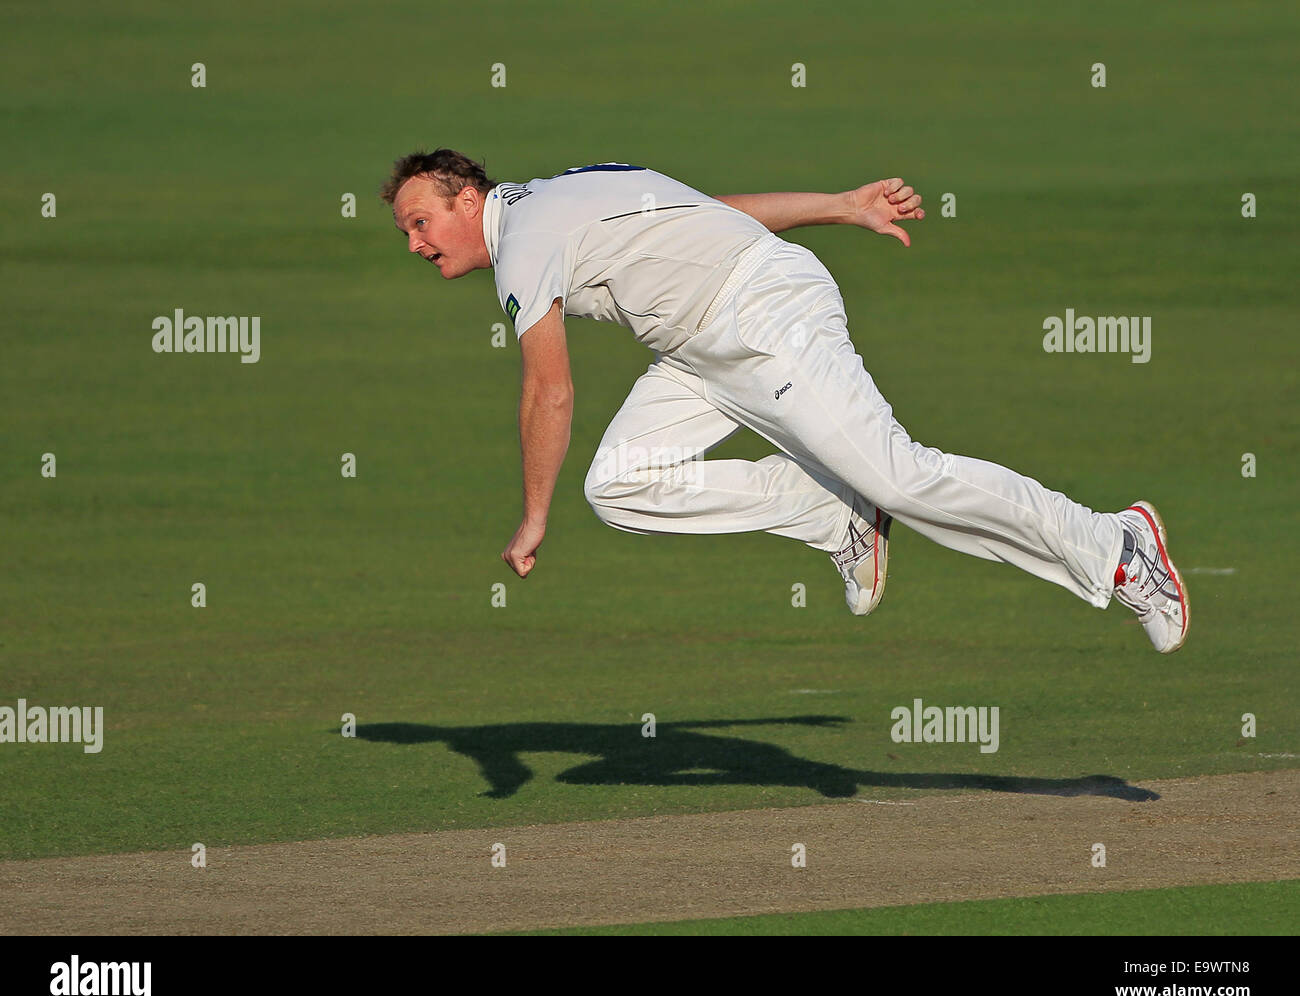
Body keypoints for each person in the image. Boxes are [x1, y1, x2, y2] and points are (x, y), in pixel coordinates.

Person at [380, 150, 1188, 653]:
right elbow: (715, 214)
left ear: (466, 197)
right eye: (405, 233)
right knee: (621, 483)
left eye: (421, 221)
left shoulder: (522, 240)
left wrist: (532, 516)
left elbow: (549, 389)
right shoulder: (561, 200)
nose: (417, 243)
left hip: (764, 311)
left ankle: (1116, 544)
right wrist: (840, 205)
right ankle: (834, 513)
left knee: (902, 476)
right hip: (699, 351)